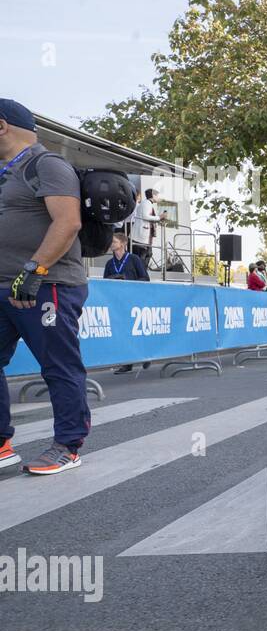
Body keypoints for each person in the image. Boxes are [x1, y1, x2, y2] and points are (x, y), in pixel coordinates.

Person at [0, 98, 92, 476]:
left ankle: (68, 445)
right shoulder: (6, 173)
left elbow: (67, 222)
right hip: (5, 286)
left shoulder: (47, 164)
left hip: (46, 284)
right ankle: (2, 443)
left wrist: (33, 270)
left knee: (58, 365)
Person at [104, 233, 153, 374]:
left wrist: (129, 283)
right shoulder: (109, 263)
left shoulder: (134, 259)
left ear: (123, 243)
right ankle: (127, 363)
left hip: (134, 301)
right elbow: (105, 283)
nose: (112, 244)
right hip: (118, 302)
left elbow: (145, 278)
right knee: (123, 332)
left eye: (114, 241)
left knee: (137, 331)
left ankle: (145, 356)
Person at [128, 188, 161, 265]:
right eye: (157, 195)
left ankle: (142, 271)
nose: (158, 197)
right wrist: (159, 217)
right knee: (142, 255)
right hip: (141, 237)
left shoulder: (147, 203)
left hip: (145, 237)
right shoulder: (146, 203)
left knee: (147, 254)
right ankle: (141, 272)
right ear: (153, 195)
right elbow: (146, 216)